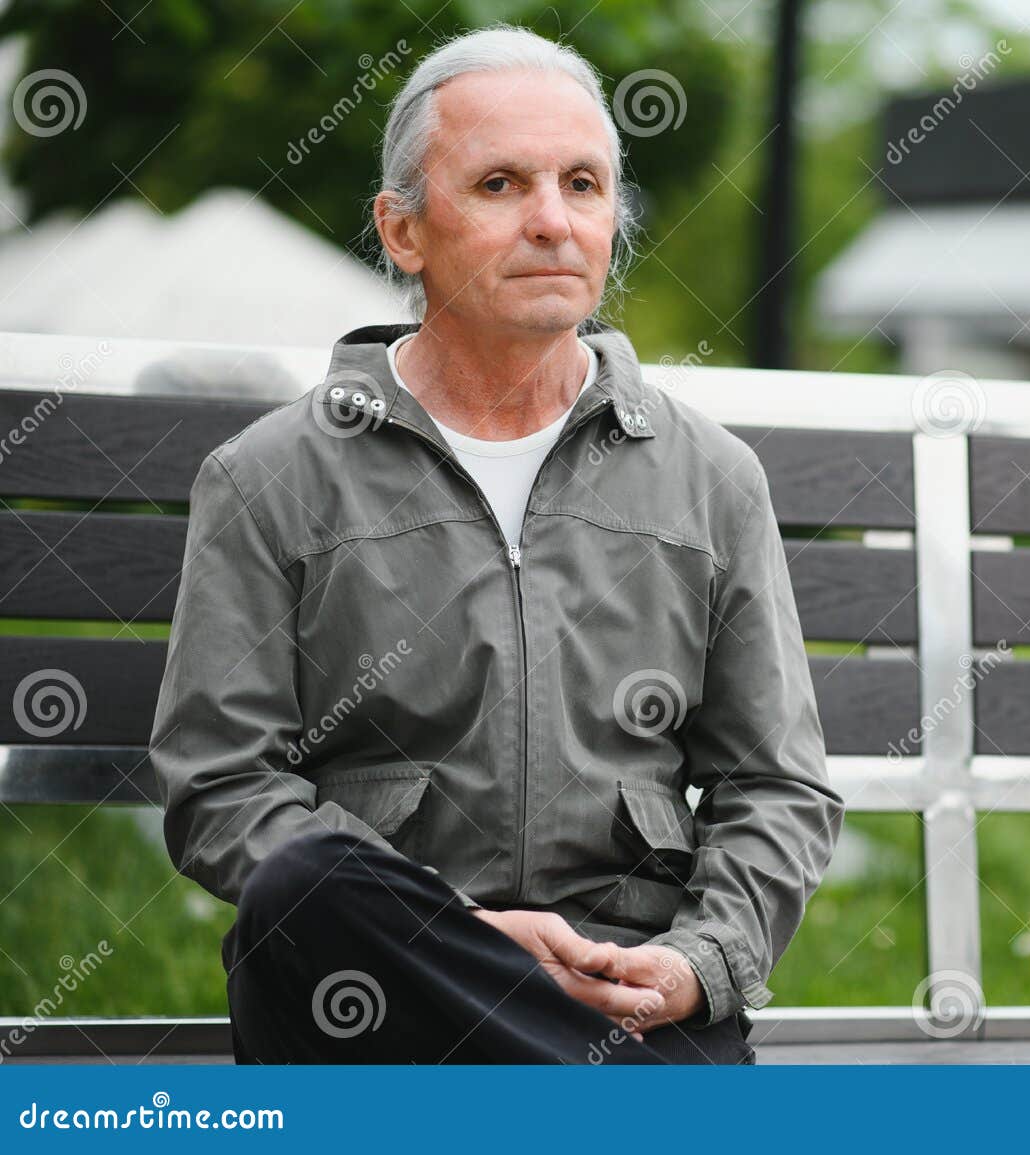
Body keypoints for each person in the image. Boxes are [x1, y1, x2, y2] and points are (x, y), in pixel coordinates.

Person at [148, 23, 843, 1065]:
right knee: (302, 888)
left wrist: (700, 963)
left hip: (622, 992)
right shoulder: (269, 477)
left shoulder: (710, 478)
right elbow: (220, 785)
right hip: (381, 992)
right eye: (500, 185)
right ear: (403, 231)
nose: (553, 222)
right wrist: (456, 937)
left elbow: (776, 786)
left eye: (583, 184)